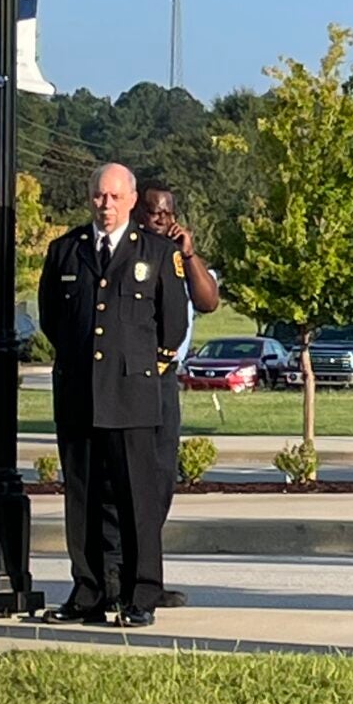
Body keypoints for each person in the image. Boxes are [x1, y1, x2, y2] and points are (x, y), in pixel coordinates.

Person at [37, 163, 188, 627]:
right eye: (100, 197)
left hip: (133, 394)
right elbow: (51, 319)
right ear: (91, 198)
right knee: (81, 499)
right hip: (80, 393)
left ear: (131, 199)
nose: (106, 206)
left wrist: (144, 366)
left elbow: (173, 323)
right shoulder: (66, 250)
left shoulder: (158, 253)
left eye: (115, 198)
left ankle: (140, 594)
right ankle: (88, 591)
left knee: (136, 501)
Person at [113, 182, 220, 610]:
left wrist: (190, 253)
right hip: (129, 378)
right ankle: (118, 579)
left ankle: (147, 579)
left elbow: (208, 301)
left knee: (159, 482)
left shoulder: (178, 257)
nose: (164, 219)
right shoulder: (129, 255)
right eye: (156, 212)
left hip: (164, 379)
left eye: (169, 212)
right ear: (139, 212)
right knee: (123, 485)